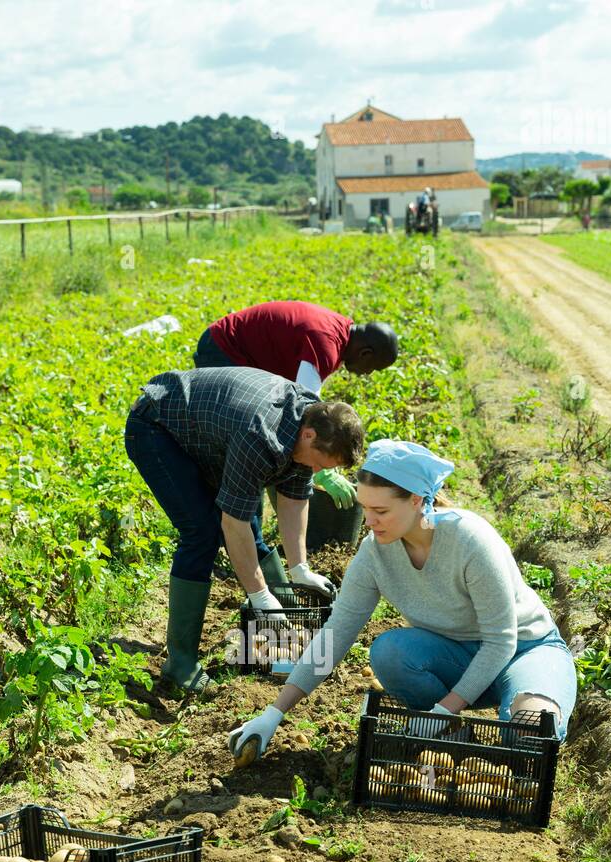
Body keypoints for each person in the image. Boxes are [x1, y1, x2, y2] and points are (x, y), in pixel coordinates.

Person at [228, 440, 577, 759]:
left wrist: (441, 712)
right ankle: (450, 732)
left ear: (415, 500)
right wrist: (275, 711)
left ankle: (459, 716)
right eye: (365, 508)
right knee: (390, 652)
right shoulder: (375, 553)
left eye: (380, 511)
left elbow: (501, 642)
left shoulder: (470, 542)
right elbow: (336, 634)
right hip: (454, 656)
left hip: (524, 650)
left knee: (530, 731)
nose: (369, 521)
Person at [125, 367, 364, 696]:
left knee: (249, 534)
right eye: (323, 463)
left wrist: (300, 568)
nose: (320, 471)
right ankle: (180, 664)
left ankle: (286, 636)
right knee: (202, 533)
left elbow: (294, 501)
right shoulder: (261, 435)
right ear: (309, 436)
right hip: (159, 428)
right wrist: (259, 596)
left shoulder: (308, 423)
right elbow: (232, 523)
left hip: (211, 436)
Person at [193, 300, 397, 524]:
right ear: (365, 354)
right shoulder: (325, 345)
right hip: (224, 349)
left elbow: (298, 405)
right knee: (245, 445)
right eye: (373, 369)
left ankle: (250, 526)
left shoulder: (340, 334)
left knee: (274, 440)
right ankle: (242, 531)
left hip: (245, 355)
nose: (367, 374)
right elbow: (305, 413)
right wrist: (324, 470)